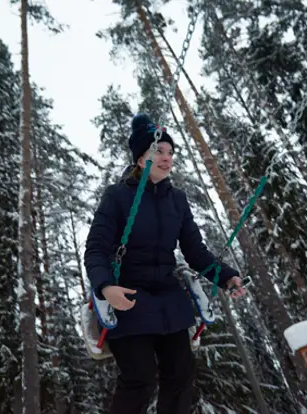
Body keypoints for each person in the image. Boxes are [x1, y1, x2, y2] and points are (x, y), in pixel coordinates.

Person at [84, 113, 246, 414]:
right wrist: (106, 287)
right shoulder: (117, 196)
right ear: (140, 157)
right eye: (158, 150)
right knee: (140, 379)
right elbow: (96, 249)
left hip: (168, 297)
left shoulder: (178, 200)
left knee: (181, 377)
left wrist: (227, 278)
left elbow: (195, 252)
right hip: (128, 297)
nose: (166, 157)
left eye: (170, 152)